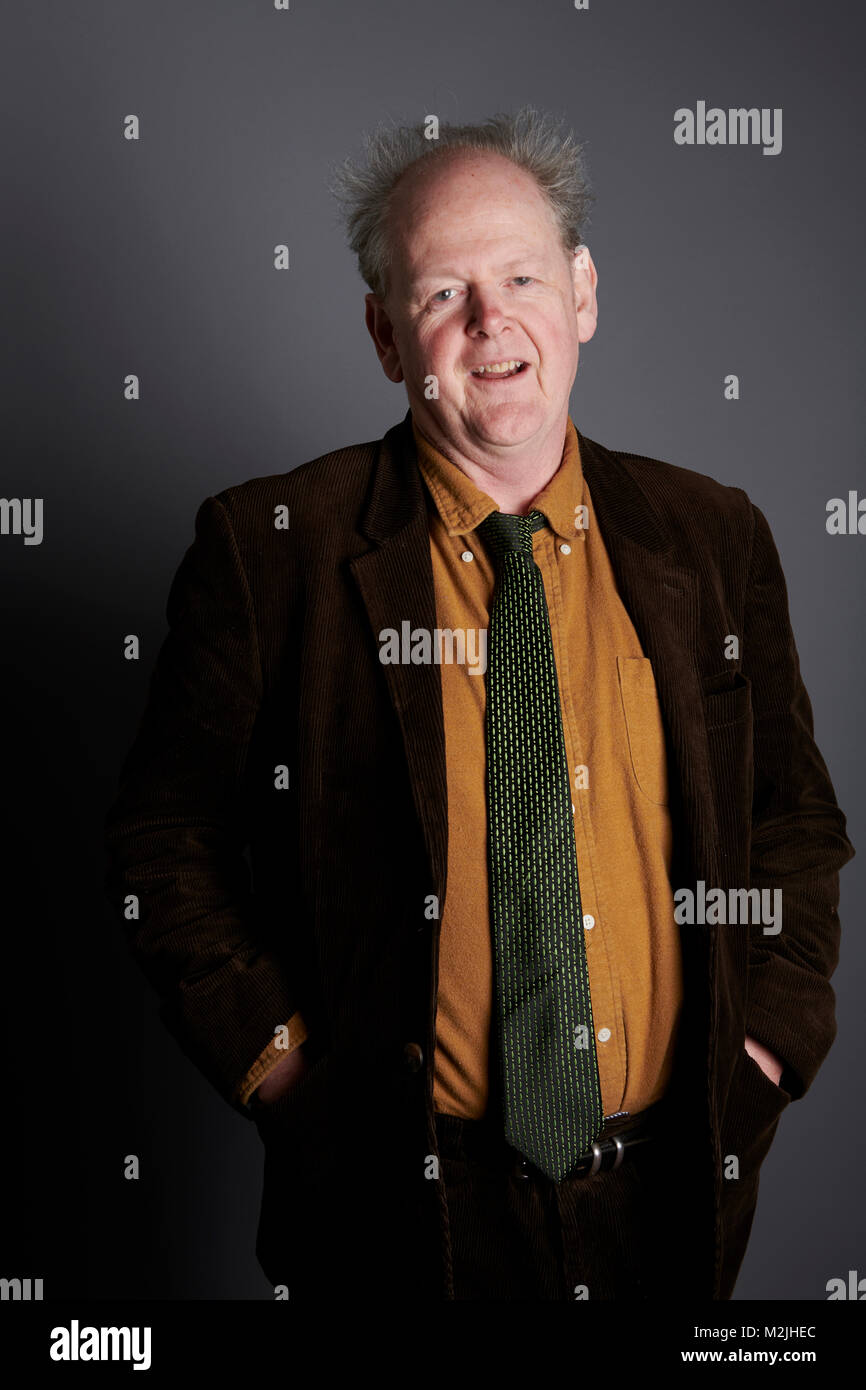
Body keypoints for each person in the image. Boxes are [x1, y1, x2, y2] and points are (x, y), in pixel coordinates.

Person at [104, 107, 855, 1301]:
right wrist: (283, 1075)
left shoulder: (714, 535)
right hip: (396, 1212)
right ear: (385, 335)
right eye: (442, 290)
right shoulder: (270, 547)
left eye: (519, 275)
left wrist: (760, 1049)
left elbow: (793, 823)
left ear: (583, 294)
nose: (489, 320)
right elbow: (164, 843)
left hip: (667, 1197)